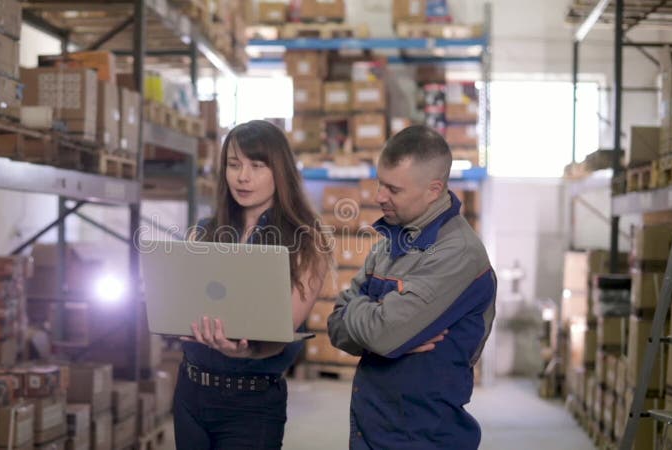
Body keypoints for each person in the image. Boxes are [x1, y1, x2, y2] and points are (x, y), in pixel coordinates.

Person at [327, 125, 497, 449]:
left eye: (393, 189)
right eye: (380, 184)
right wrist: (380, 323)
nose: (379, 197)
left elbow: (383, 335)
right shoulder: (392, 241)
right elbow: (336, 325)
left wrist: (374, 323)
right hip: (371, 432)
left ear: (434, 190)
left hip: (423, 438)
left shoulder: (457, 254)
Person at [174, 120, 333, 450]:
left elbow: (284, 326)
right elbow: (184, 302)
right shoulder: (201, 233)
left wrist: (244, 348)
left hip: (251, 403)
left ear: (280, 171)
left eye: (257, 166)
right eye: (234, 165)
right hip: (191, 392)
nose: (242, 176)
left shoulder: (307, 242)